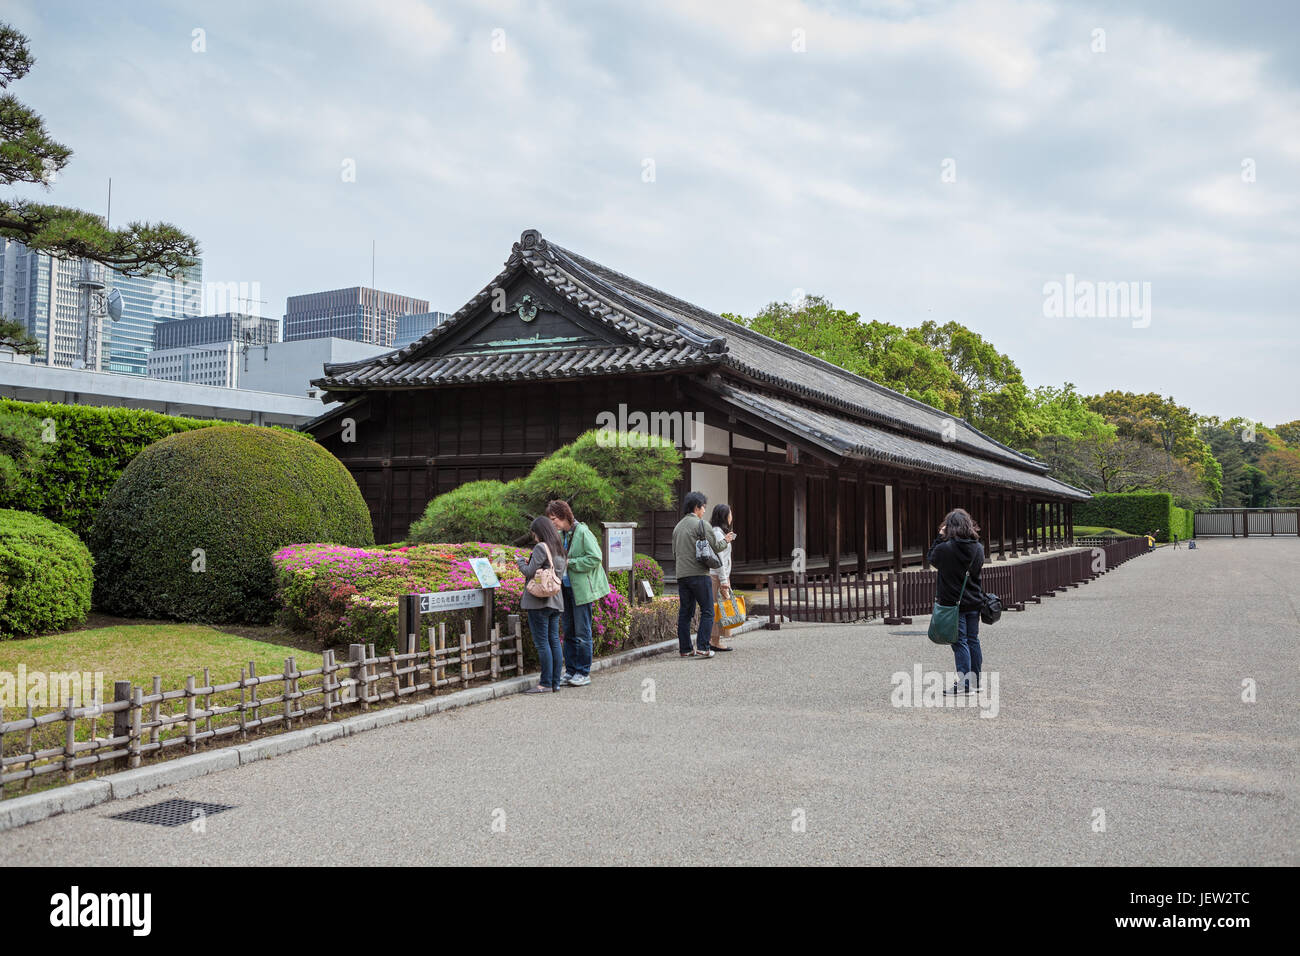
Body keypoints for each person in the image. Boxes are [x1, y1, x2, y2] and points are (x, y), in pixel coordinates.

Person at [544, 499, 611, 687]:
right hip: (565, 589)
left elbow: (595, 557)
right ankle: (571, 671)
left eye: (554, 518)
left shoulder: (582, 532)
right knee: (568, 631)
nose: (552, 523)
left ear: (564, 515)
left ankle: (583, 671)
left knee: (582, 632)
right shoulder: (560, 534)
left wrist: (570, 563)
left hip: (581, 590)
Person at [927, 508, 986, 695]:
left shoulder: (945, 548)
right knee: (972, 640)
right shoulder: (978, 548)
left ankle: (964, 684)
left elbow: (931, 558)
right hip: (974, 600)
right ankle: (975, 682)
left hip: (953, 603)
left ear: (949, 527)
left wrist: (939, 537)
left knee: (959, 642)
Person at [672, 491, 729, 658]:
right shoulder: (702, 525)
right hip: (699, 573)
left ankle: (685, 649)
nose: (704, 511)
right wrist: (726, 540)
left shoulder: (678, 527)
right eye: (703, 507)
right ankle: (703, 646)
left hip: (682, 575)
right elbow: (717, 547)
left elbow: (674, 553)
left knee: (685, 613)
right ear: (697, 507)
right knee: (707, 610)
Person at [516, 515, 567, 694]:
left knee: (542, 643)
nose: (534, 536)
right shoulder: (560, 549)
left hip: (539, 602)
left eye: (534, 532)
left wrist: (520, 562)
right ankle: (556, 682)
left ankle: (545, 683)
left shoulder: (541, 547)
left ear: (539, 531)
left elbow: (529, 572)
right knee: (554, 640)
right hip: (556, 601)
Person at [707, 503, 738, 651]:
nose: (731, 516)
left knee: (719, 607)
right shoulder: (718, 534)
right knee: (718, 608)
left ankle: (714, 640)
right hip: (717, 577)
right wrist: (724, 581)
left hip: (719, 575)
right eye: (730, 513)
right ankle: (714, 641)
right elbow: (719, 560)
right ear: (724, 516)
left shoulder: (719, 532)